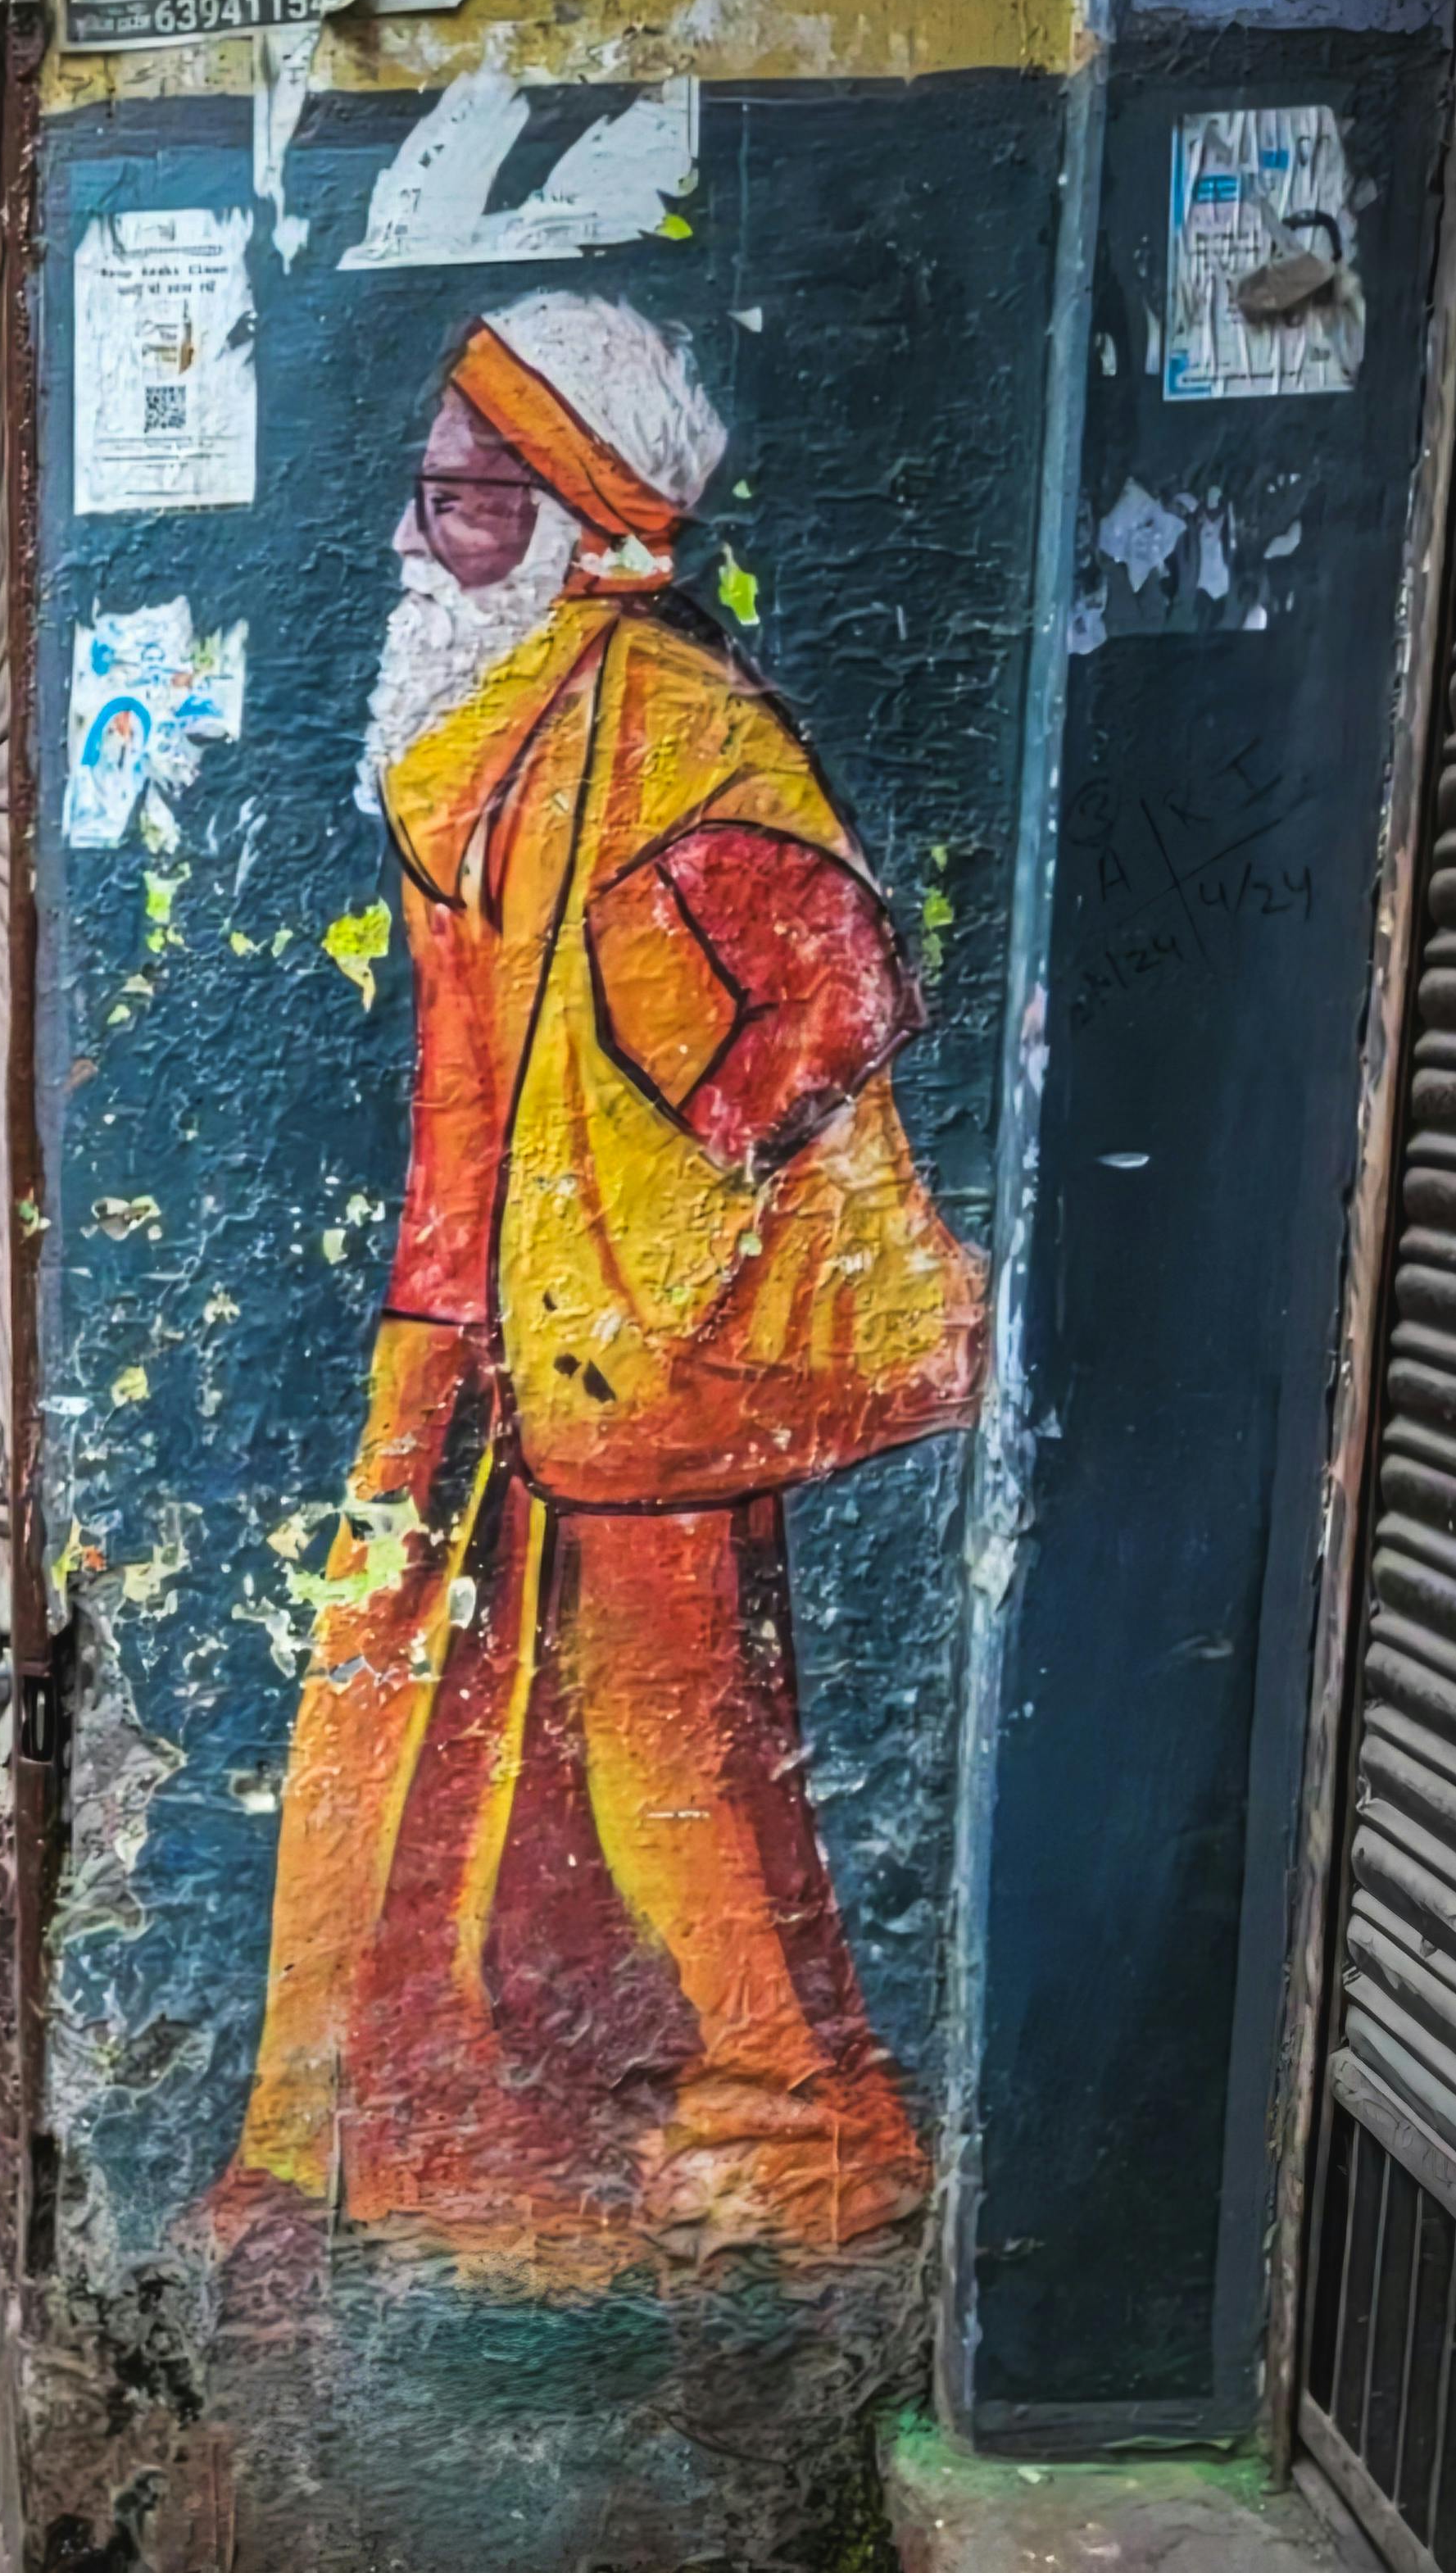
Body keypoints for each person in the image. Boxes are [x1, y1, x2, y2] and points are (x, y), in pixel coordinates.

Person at [218, 295, 984, 2280]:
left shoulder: (680, 722)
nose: (417, 541)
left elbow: (839, 990)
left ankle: (794, 2120)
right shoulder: (479, 728)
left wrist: (656, 1171)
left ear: (583, 526)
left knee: (667, 1745)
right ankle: (364, 2129)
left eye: (466, 507)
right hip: (453, 1305)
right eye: (422, 497)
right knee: (384, 1720)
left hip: (622, 1340)